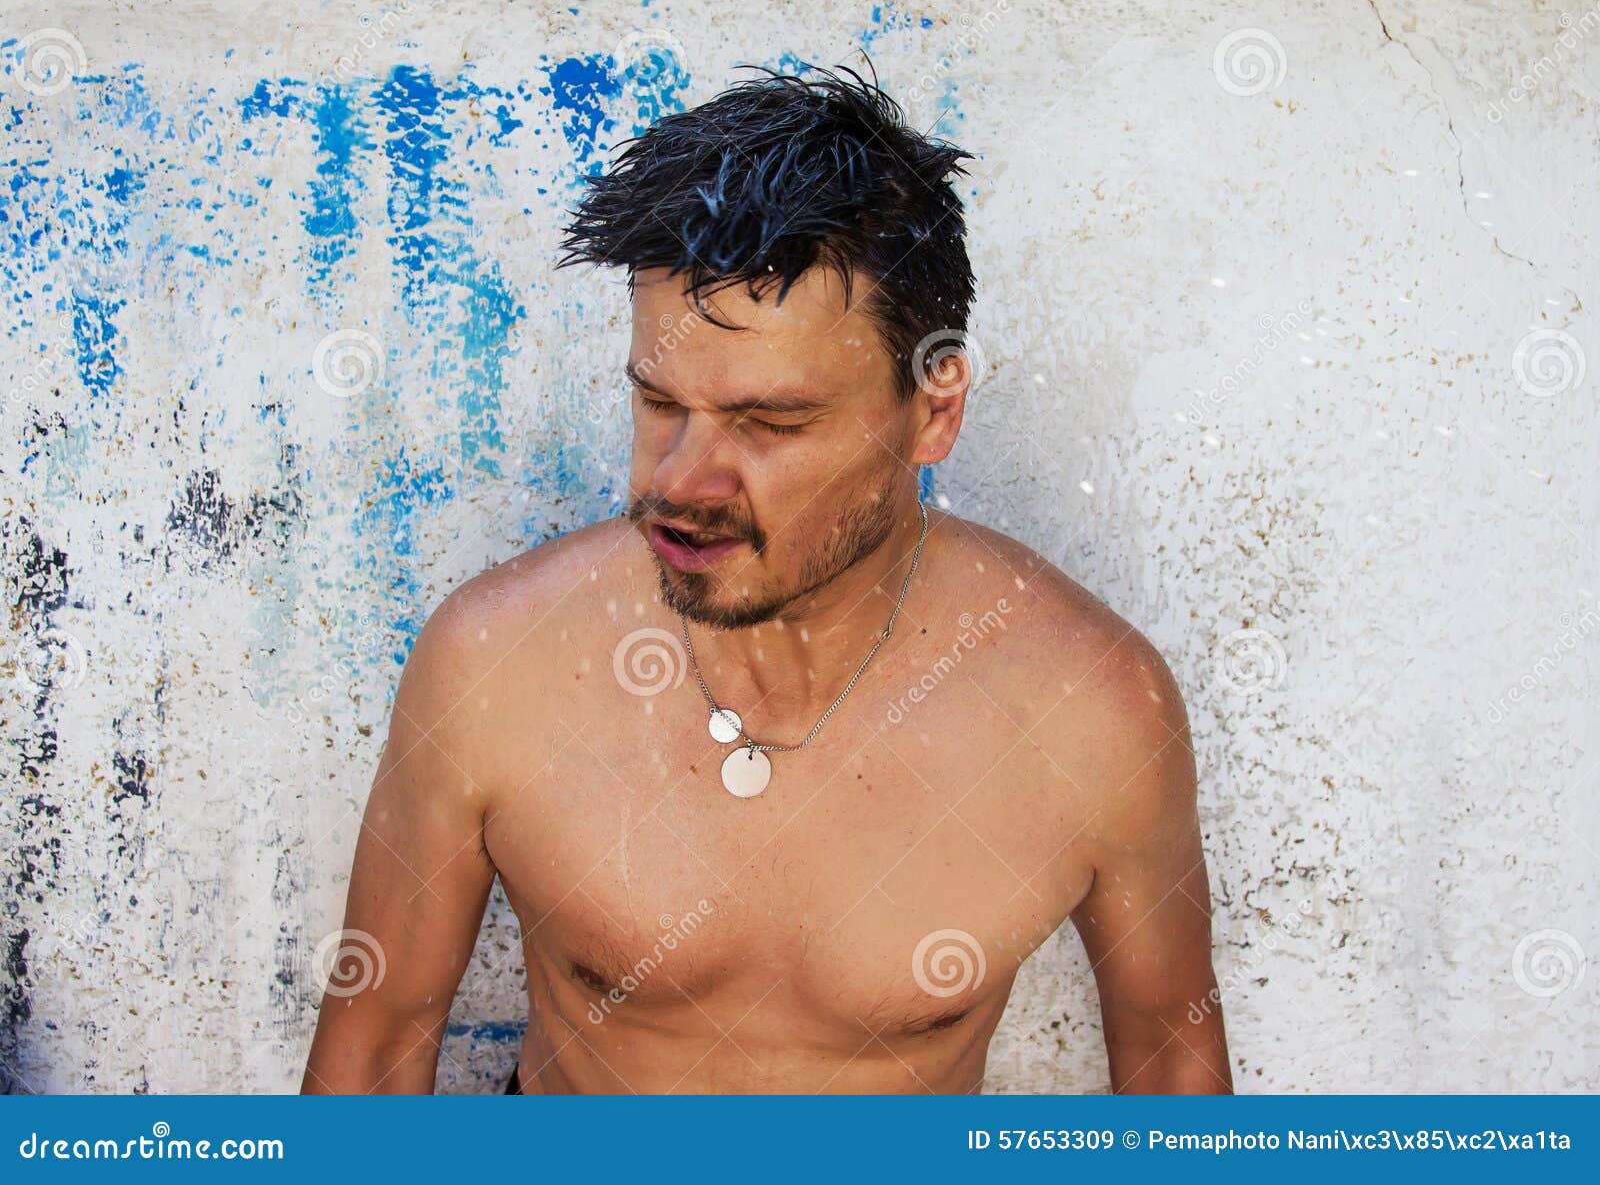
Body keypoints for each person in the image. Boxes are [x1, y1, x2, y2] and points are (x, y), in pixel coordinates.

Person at [301, 63, 1231, 1095]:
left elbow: (1170, 1059)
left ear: (933, 411)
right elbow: (375, 1045)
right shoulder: (497, 660)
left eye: (770, 423)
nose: (678, 483)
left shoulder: (1091, 708)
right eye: (660, 404)